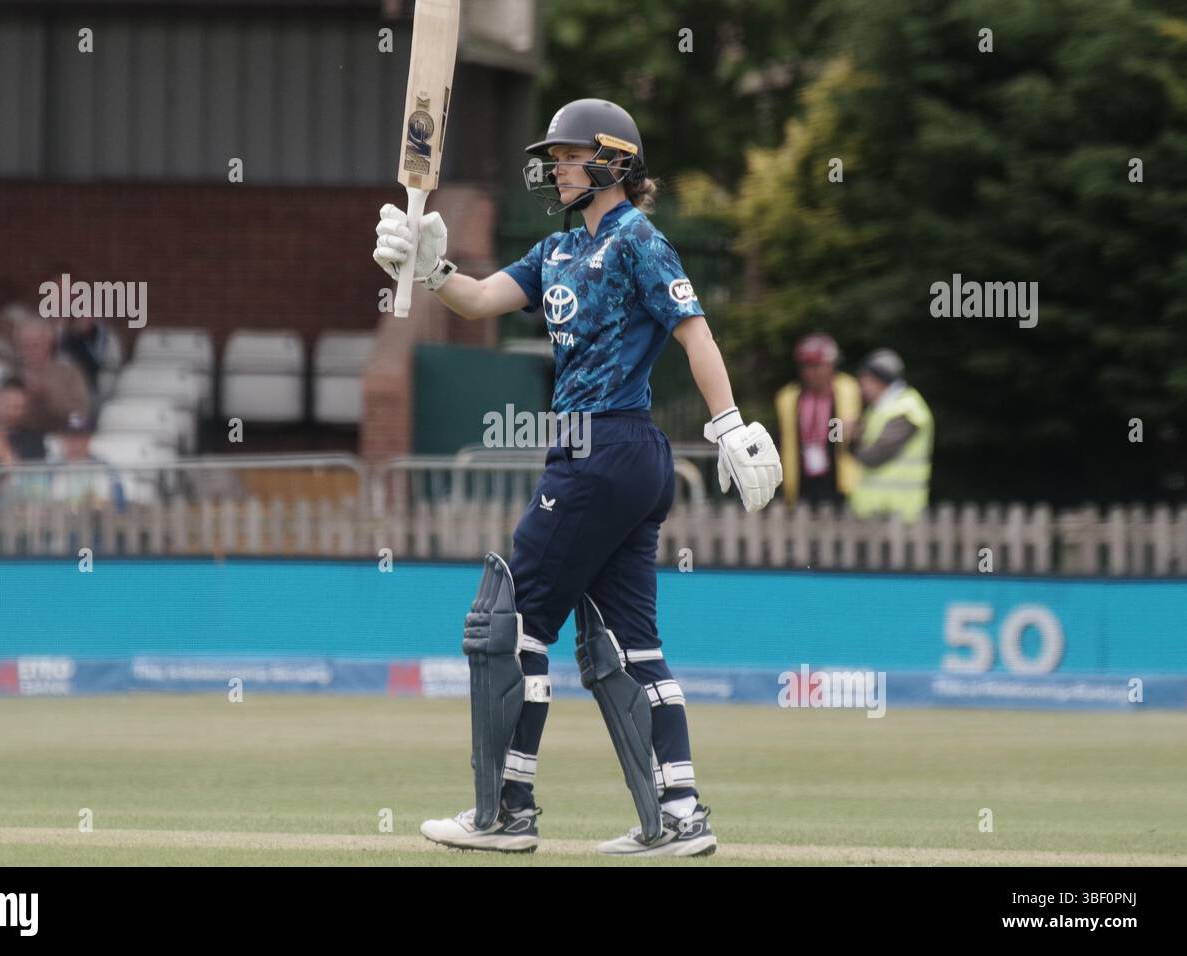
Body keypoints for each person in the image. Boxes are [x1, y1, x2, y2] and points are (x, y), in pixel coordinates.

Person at [374, 97, 783, 857]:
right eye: (554, 157)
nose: (555, 168)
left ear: (614, 163)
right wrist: (431, 269)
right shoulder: (557, 251)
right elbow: (481, 298)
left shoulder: (638, 240)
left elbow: (695, 332)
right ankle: (679, 815)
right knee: (632, 646)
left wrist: (728, 426)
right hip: (608, 460)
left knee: (513, 622)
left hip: (607, 450)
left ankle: (505, 812)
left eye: (568, 156)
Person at [773, 333, 861, 509]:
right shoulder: (789, 398)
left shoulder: (846, 390)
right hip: (802, 478)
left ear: (831, 366)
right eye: (807, 367)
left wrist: (850, 432)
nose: (813, 373)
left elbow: (847, 435)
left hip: (837, 479)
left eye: (818, 366)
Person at [845, 349, 934, 521]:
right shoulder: (878, 409)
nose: (861, 388)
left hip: (898, 513)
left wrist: (853, 437)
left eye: (864, 381)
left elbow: (873, 457)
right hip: (874, 512)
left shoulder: (907, 410)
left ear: (878, 380)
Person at [13, 317, 92, 434]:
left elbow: (80, 414)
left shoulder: (69, 374)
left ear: (49, 344)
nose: (29, 350)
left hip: (62, 436)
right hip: (21, 438)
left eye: (36, 345)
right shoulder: (12, 375)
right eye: (24, 345)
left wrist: (48, 398)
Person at [46, 411, 125, 510]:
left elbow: (119, 504)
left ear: (88, 438)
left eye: (78, 437)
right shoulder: (50, 471)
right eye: (68, 436)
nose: (72, 443)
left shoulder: (106, 469)